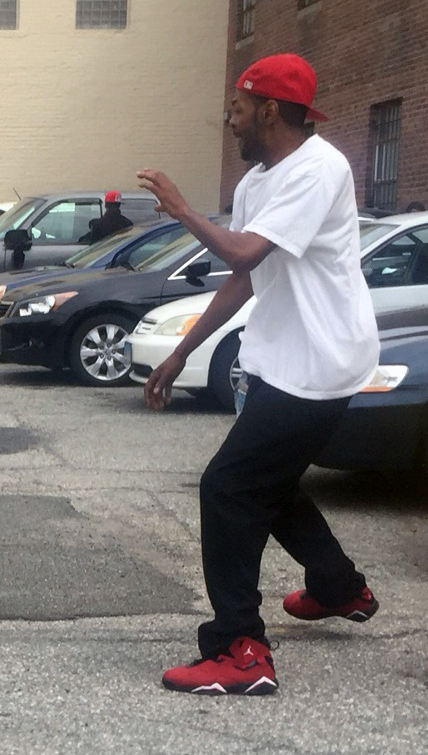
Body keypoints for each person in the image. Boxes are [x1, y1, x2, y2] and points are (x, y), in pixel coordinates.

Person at [137, 53, 379, 696]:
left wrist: (184, 212)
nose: (230, 121)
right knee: (267, 482)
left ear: (269, 110)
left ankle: (240, 650)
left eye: (237, 109)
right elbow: (244, 277)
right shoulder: (256, 183)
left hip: (322, 361)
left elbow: (243, 249)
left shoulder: (319, 168)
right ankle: (339, 588)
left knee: (228, 487)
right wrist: (181, 351)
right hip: (280, 358)